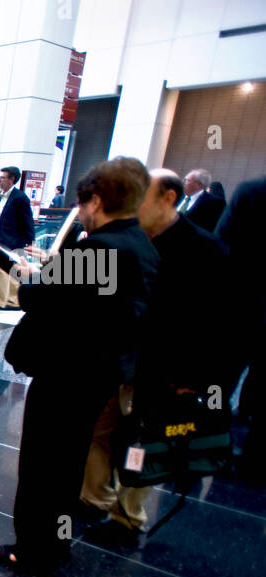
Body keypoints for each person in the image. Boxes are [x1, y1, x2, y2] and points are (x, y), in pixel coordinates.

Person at [0, 157, 158, 574]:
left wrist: (17, 269)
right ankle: (56, 545)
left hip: (68, 372)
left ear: (96, 201)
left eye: (82, 204)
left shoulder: (100, 248)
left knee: (42, 466)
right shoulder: (143, 244)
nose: (80, 212)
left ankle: (32, 550)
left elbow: (37, 297)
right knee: (68, 465)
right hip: (102, 371)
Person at [76, 168, 231, 546]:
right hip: (116, 358)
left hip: (164, 366)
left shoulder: (205, 250)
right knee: (100, 429)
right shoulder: (123, 240)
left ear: (169, 199)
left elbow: (216, 322)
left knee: (143, 442)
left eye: (142, 197)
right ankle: (93, 498)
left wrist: (195, 378)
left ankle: (127, 517)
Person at [215, 175, 266, 479]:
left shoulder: (252, 191)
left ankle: (211, 452)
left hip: (240, 309)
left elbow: (222, 248)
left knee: (220, 384)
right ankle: (256, 461)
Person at [0, 166, 35, 311]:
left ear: (12, 179)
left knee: (2, 269)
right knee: (11, 270)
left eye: (3, 177)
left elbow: (28, 220)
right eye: (0, 177)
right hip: (0, 239)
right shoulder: (0, 198)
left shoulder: (20, 198)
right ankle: (13, 301)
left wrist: (30, 242)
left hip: (13, 241)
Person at [178, 168, 225, 233]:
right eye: (184, 180)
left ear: (199, 184)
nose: (183, 183)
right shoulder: (177, 196)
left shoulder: (214, 203)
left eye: (187, 180)